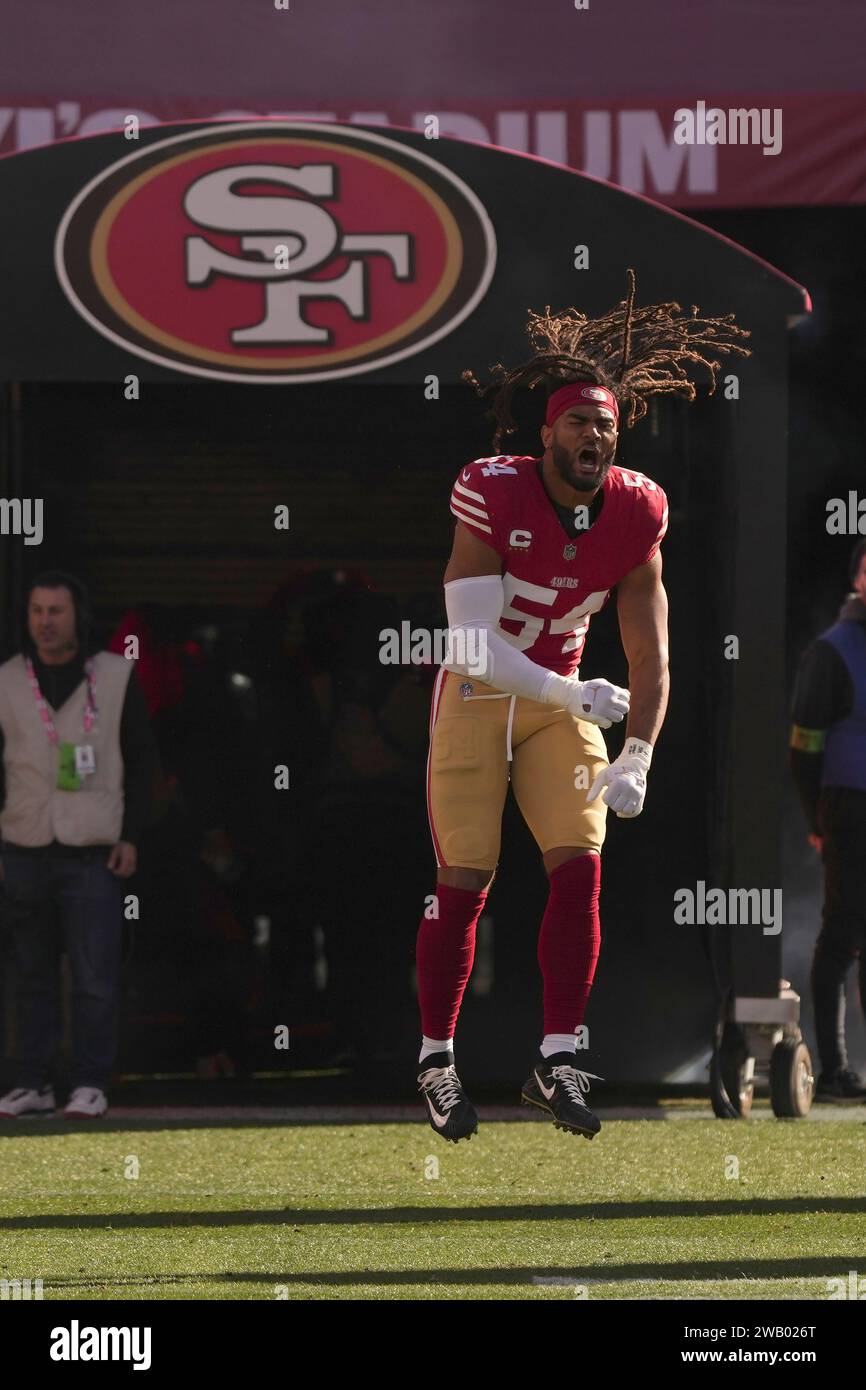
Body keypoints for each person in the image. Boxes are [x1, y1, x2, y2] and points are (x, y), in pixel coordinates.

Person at [416, 271, 751, 1142]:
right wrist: (573, 692)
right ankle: (437, 1059)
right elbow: (473, 645)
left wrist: (639, 751)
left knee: (581, 863)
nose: (594, 434)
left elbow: (651, 652)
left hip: (564, 703)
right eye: (578, 420)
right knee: (465, 880)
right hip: (484, 695)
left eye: (605, 422)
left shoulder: (637, 511)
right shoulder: (493, 488)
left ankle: (556, 1057)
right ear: (545, 434)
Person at [0, 571, 159, 1118]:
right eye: (37, 611)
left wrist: (132, 835)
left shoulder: (115, 677)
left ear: (78, 616)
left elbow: (143, 763)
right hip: (23, 845)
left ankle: (90, 1082)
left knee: (94, 975)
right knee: (31, 974)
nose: (46, 621)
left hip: (94, 849)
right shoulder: (6, 681)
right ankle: (33, 1082)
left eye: (56, 611)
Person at [789, 538, 866, 1101]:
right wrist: (816, 814)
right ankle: (835, 1069)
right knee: (843, 933)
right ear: (859, 577)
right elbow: (804, 747)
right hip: (850, 809)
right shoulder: (831, 652)